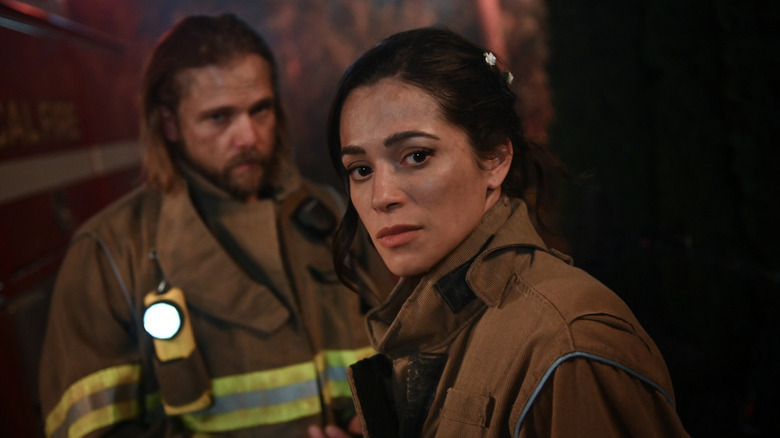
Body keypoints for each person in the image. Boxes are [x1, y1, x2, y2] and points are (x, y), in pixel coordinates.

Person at [39, 13, 393, 438]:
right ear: (169, 124)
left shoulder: (328, 212)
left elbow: (406, 351)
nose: (248, 136)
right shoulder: (111, 252)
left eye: (260, 109)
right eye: (219, 118)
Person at [325, 27, 690, 437]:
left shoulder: (568, 346)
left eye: (416, 156)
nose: (381, 196)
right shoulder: (440, 326)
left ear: (496, 158)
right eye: (361, 169)